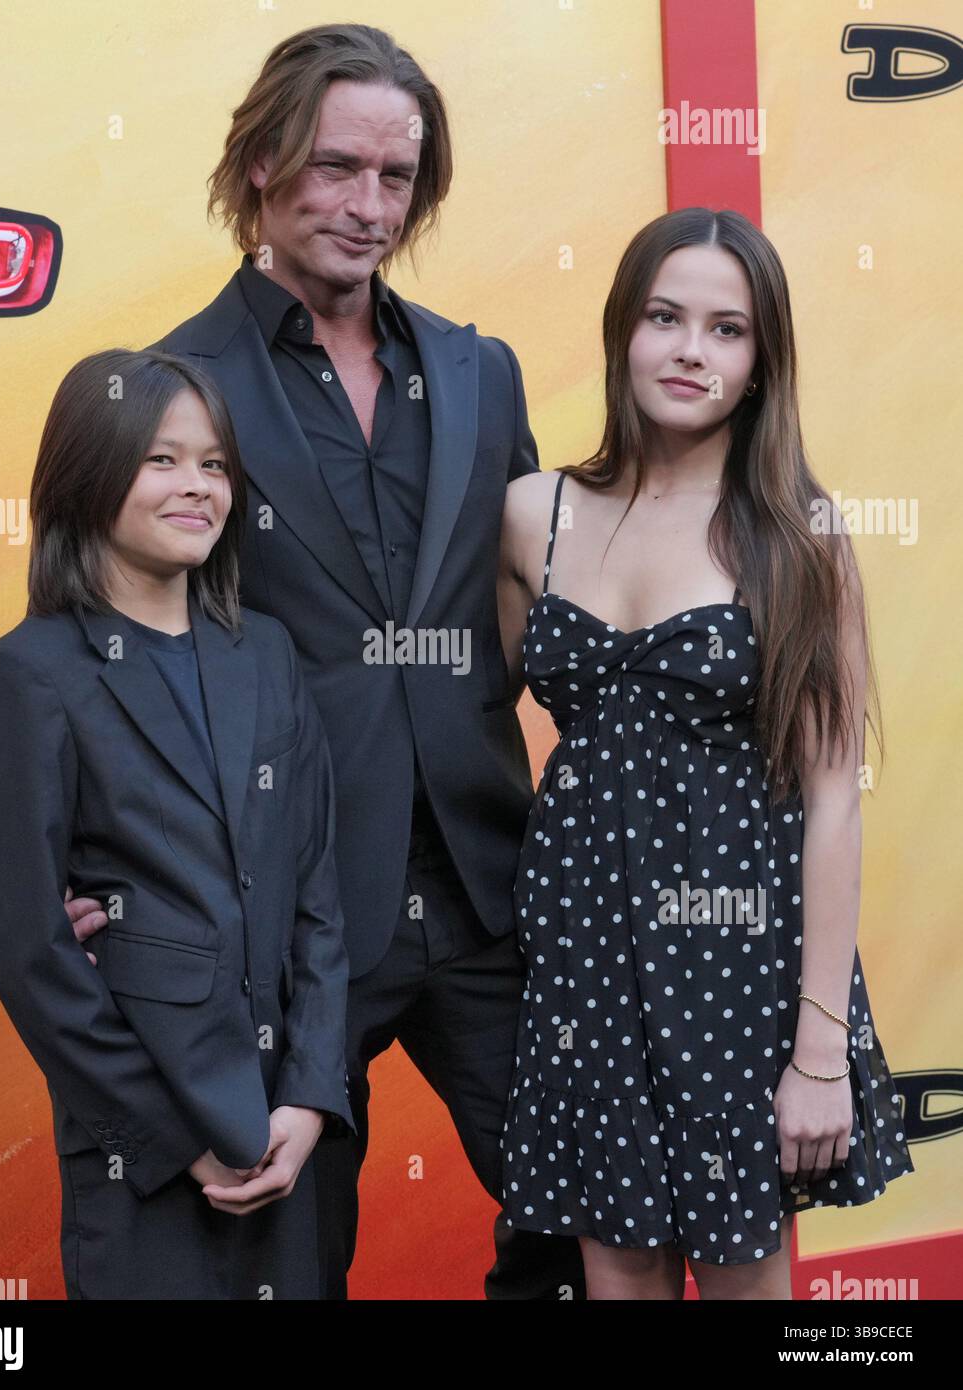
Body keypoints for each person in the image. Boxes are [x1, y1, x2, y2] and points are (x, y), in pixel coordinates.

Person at [64, 23, 586, 1299]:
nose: (366, 207)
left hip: (483, 889)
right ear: (259, 166)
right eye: (333, 166)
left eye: (394, 178)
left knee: (582, 1228)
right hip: (278, 911)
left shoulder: (477, 370)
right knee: (278, 1259)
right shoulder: (178, 389)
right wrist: (88, 868)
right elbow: (105, 636)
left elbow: (539, 600)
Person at [496, 207, 914, 1300]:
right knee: (616, 1271)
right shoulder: (529, 516)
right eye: (663, 316)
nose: (689, 349)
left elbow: (831, 800)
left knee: (742, 1279)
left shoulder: (796, 537)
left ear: (759, 359)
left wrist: (816, 1050)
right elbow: (462, 721)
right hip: (582, 960)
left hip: (737, 967)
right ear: (620, 331)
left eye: (725, 329)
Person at [0, 347, 353, 1299]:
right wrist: (173, 1144)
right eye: (162, 460)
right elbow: (28, 945)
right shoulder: (28, 675)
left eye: (215, 464)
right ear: (89, 472)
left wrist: (310, 1095)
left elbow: (316, 894)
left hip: (286, 1133)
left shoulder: (264, 652)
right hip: (140, 1148)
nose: (198, 487)